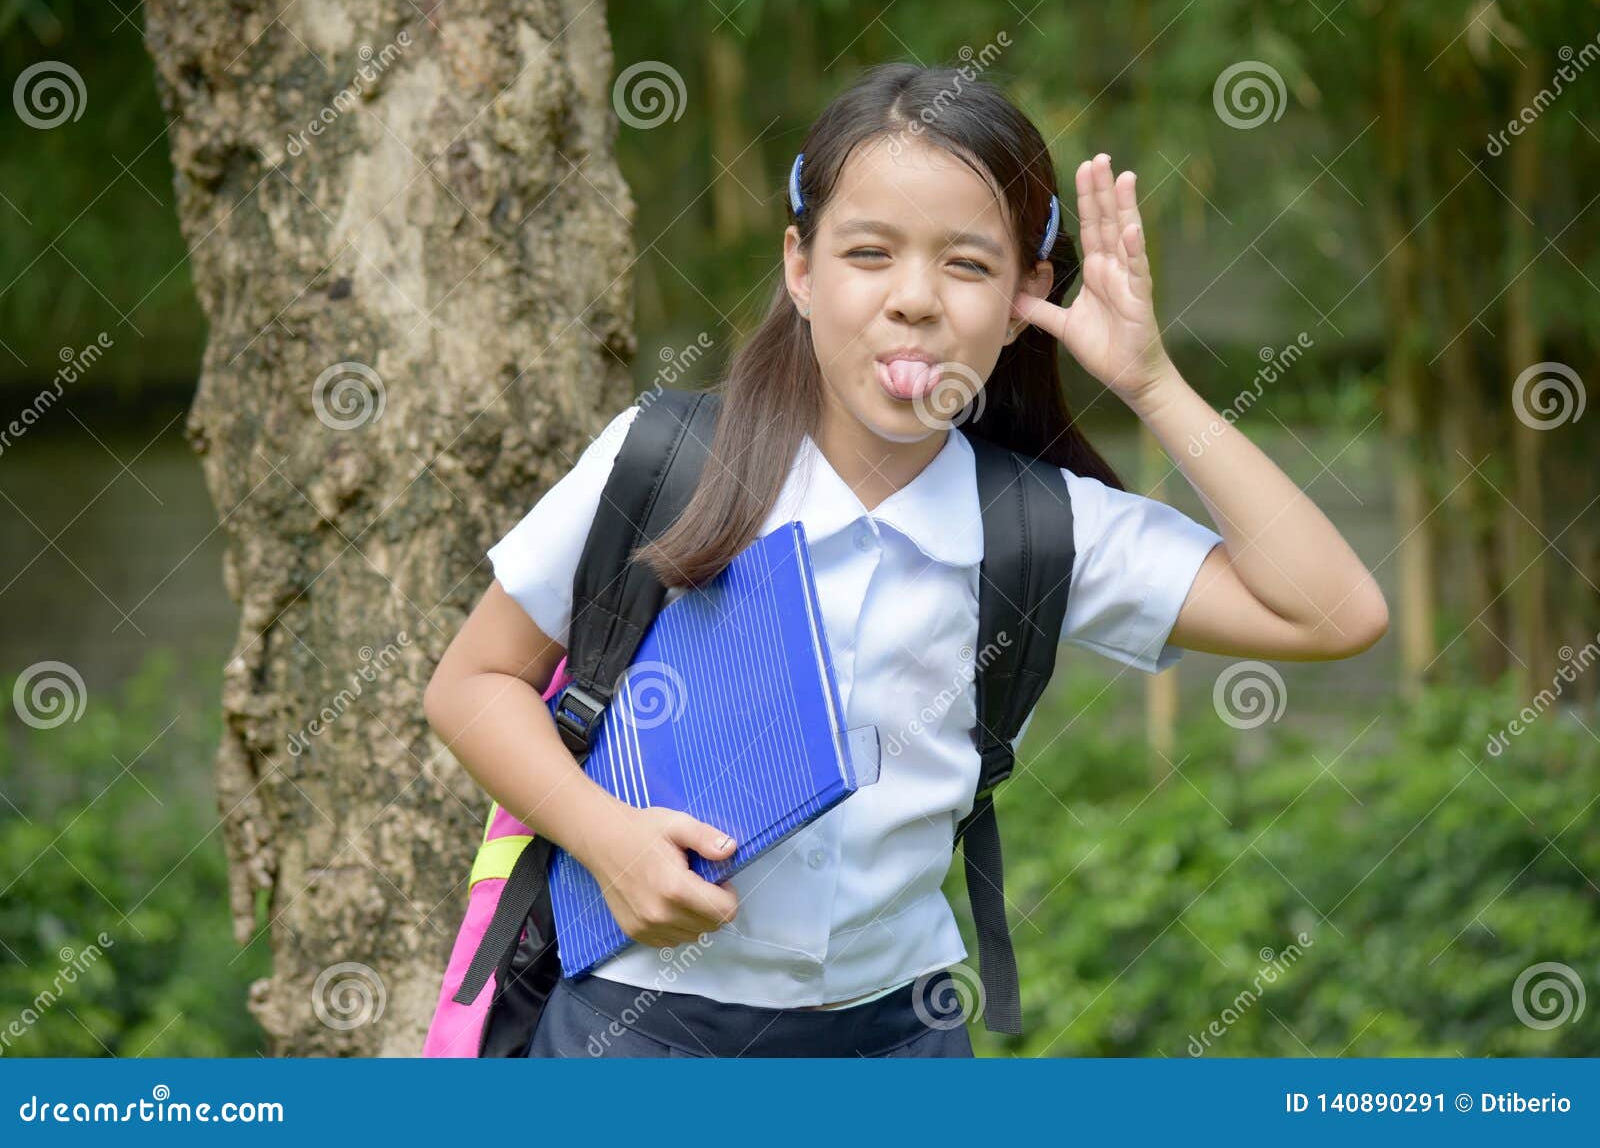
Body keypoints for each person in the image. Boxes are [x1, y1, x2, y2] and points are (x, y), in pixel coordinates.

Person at [422, 62, 1388, 1058]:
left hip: (897, 1037)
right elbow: (474, 681)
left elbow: (1331, 611)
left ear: (1026, 294)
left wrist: (1150, 382)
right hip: (631, 1033)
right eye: (868, 253)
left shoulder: (1036, 527)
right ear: (800, 267)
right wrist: (602, 835)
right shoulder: (668, 461)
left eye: (967, 265)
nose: (914, 300)